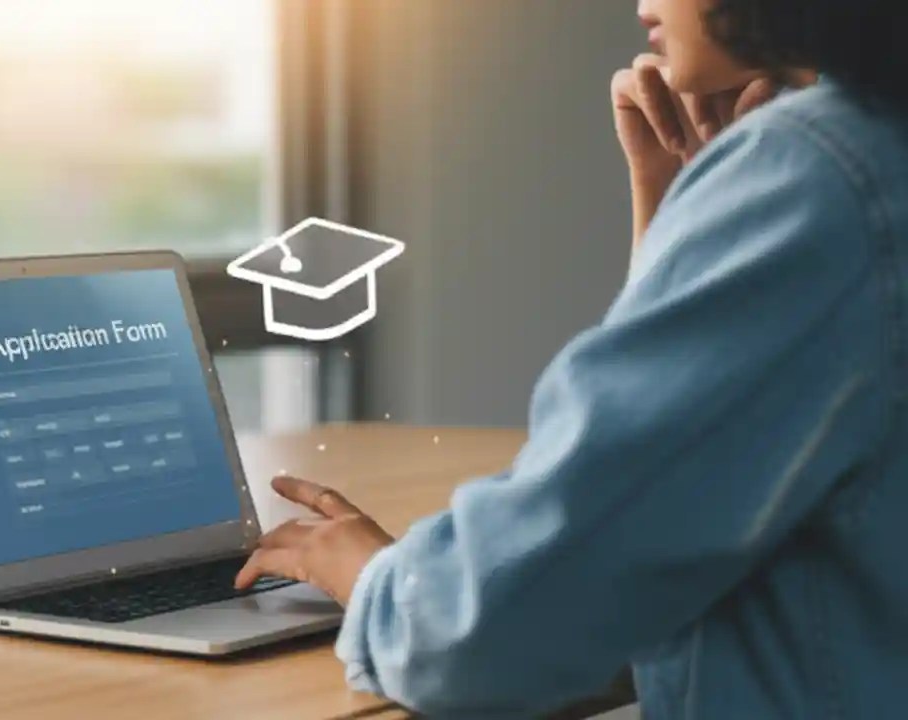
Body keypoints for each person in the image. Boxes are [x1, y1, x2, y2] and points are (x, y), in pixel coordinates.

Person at [234, 0, 908, 716]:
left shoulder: (819, 173)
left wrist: (375, 580)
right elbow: (661, 510)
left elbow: (493, 635)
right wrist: (685, 213)